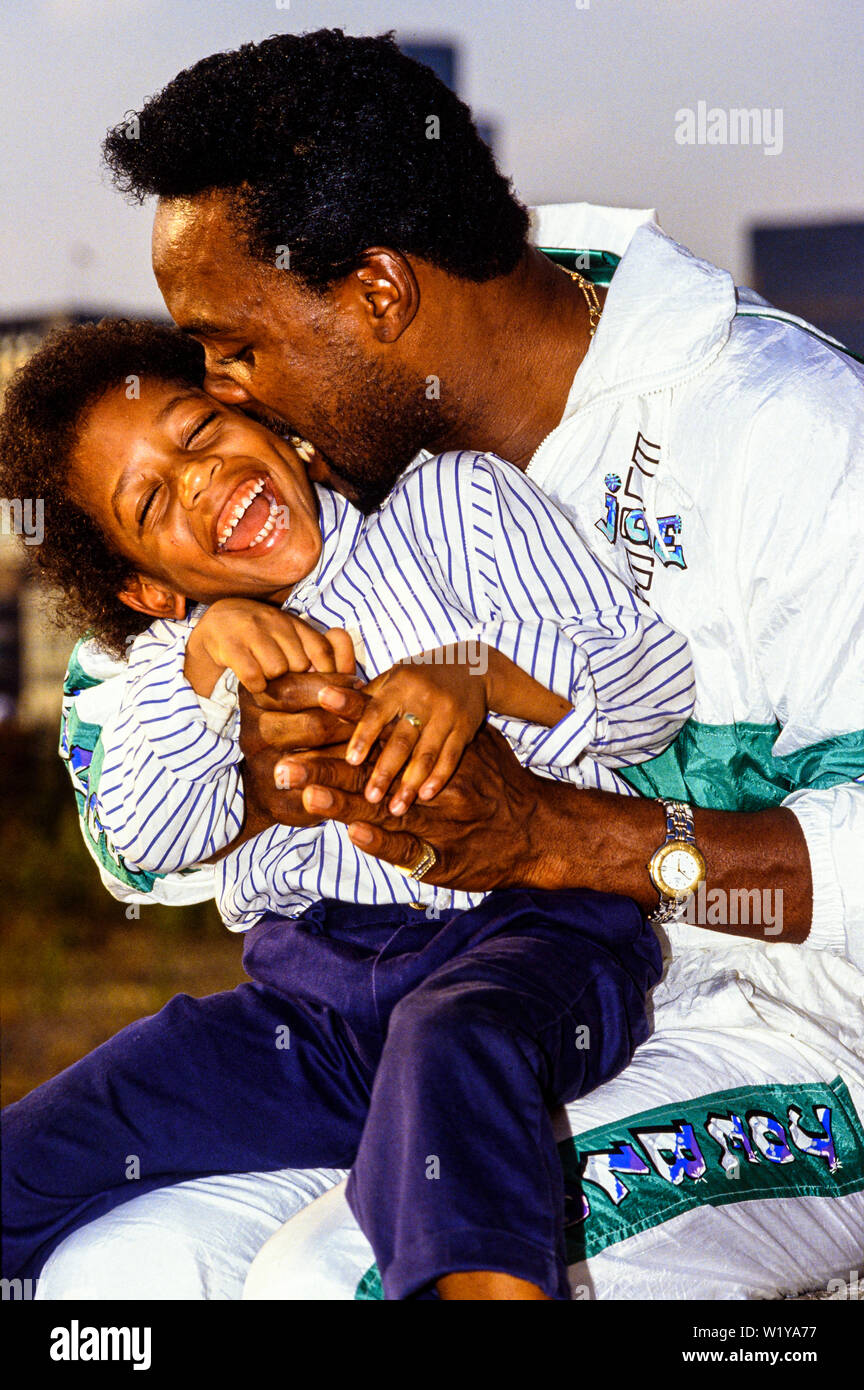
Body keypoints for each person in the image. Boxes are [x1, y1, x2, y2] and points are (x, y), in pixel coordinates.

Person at [26, 30, 864, 1298]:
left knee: (342, 1280)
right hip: (408, 1033)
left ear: (376, 293)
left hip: (805, 1037)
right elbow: (123, 805)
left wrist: (551, 831)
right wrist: (256, 758)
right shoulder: (326, 500)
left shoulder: (787, 438)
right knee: (121, 1275)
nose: (222, 395)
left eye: (232, 351)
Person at [0, 317, 693, 1299]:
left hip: (537, 940)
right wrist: (203, 676)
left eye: (197, 432)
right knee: (35, 1148)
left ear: (252, 411)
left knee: (452, 1043)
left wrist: (474, 678)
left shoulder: (454, 507)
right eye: (151, 499)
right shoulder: (178, 661)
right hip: (311, 1009)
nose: (196, 479)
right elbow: (150, 837)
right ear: (148, 588)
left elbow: (648, 685)